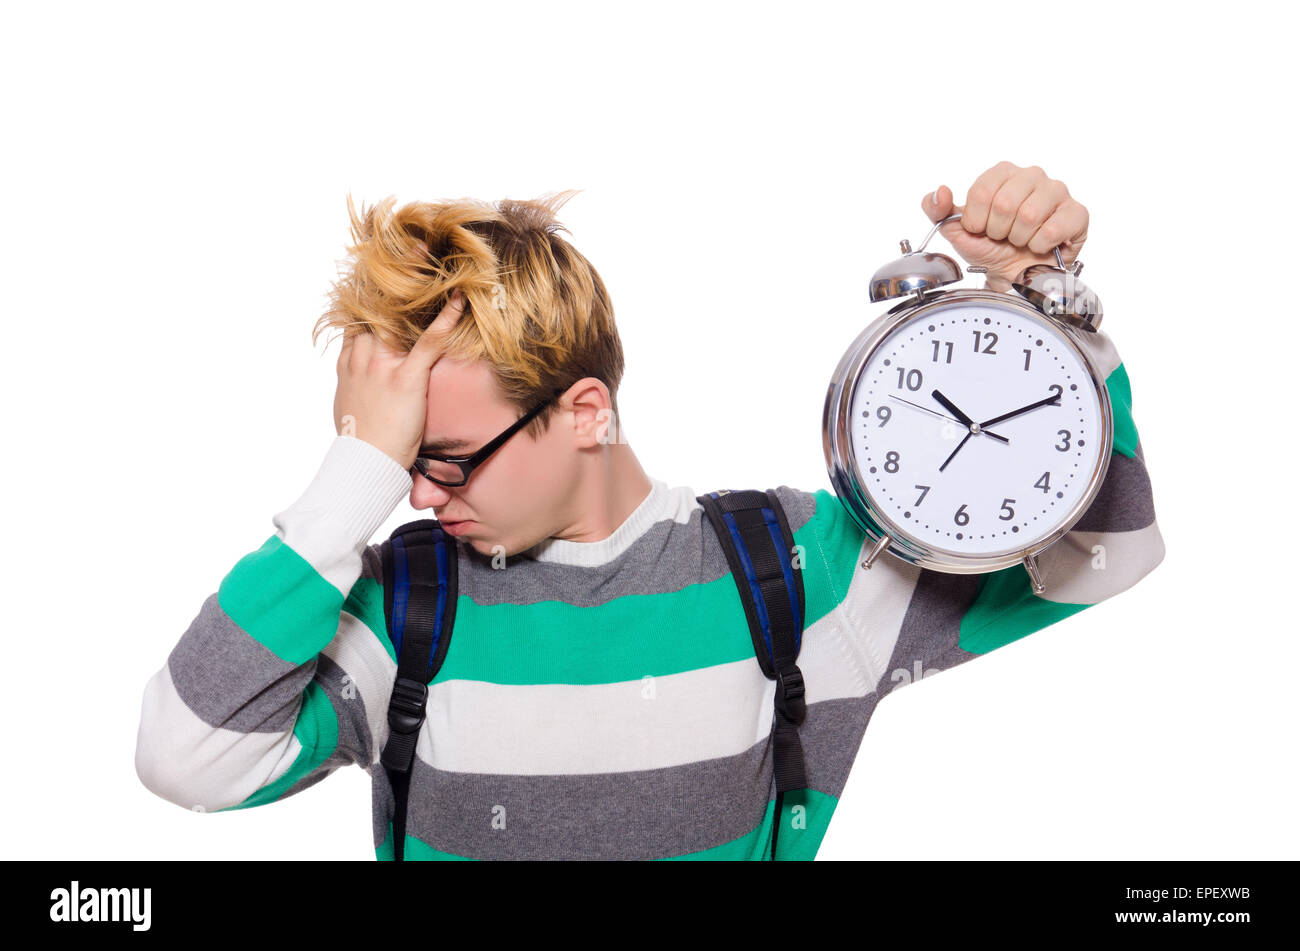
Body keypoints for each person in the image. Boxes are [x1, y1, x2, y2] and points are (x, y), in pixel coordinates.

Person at [134, 161, 1165, 860]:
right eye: (394, 464)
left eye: (442, 460)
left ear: (584, 413)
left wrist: (1039, 303)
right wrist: (342, 489)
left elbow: (1104, 555)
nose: (412, 495)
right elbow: (188, 762)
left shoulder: (798, 573)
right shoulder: (404, 603)